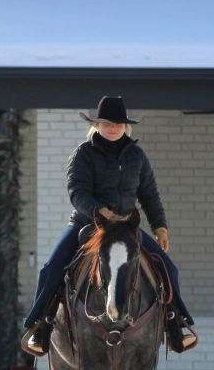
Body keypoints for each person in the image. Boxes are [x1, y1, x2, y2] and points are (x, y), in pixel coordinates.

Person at [20, 95, 197, 356]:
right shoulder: (83, 153)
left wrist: (160, 226)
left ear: (125, 126)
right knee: (52, 267)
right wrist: (98, 211)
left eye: (117, 124)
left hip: (126, 227)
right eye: (106, 123)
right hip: (88, 224)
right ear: (97, 125)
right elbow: (77, 191)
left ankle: (176, 324)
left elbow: (149, 194)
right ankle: (40, 327)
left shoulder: (137, 155)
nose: (112, 128)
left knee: (168, 267)